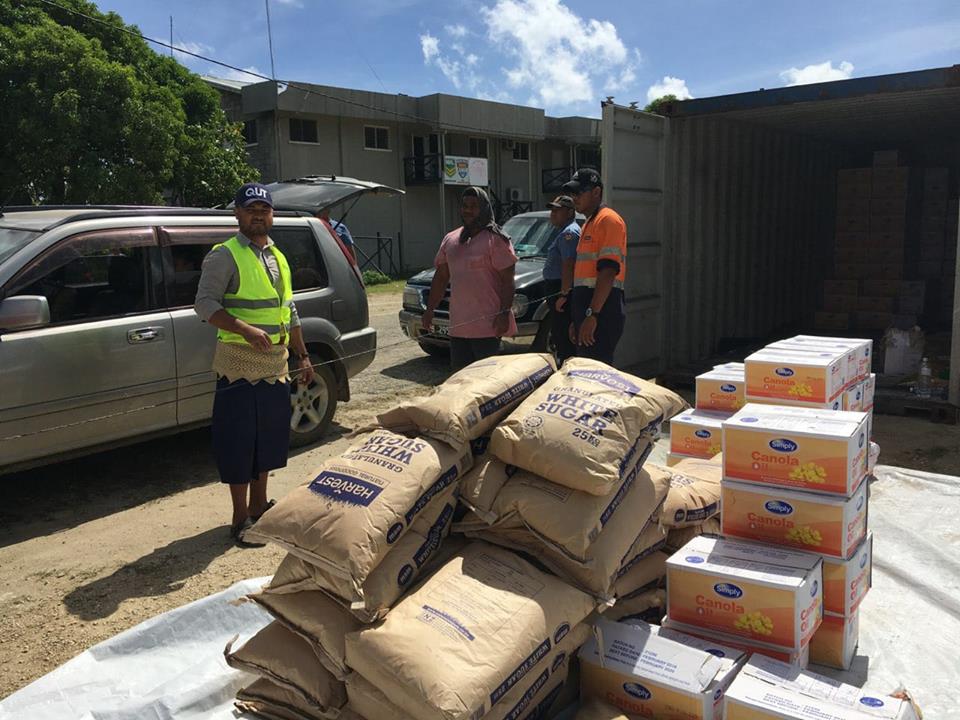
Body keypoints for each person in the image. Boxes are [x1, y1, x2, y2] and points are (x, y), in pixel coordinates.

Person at [195, 182, 315, 545]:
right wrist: (243, 328)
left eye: (264, 209)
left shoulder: (277, 255)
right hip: (238, 364)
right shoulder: (224, 255)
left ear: (272, 214)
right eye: (251, 209)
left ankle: (260, 506)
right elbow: (205, 304)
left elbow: (288, 309)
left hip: (275, 365)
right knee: (238, 442)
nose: (258, 215)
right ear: (237, 213)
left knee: (268, 440)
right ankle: (238, 518)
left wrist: (303, 355)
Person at [421, 186, 517, 370]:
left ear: (484, 208)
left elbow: (508, 281)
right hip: (459, 327)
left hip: (488, 328)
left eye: (474, 206)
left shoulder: (497, 240)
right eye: (464, 205)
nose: (468, 210)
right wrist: (429, 309)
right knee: (460, 381)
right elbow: (441, 278)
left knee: (486, 382)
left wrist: (504, 313)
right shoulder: (451, 239)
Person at [561, 168, 627, 366]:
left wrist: (592, 315)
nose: (574, 198)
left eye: (579, 192)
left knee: (597, 374)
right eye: (572, 193)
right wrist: (578, 319)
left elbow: (608, 271)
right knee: (587, 371)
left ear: (596, 192)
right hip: (590, 311)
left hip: (603, 311)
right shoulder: (589, 222)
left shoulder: (608, 220)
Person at [542, 195, 580, 365]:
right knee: (558, 333)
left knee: (563, 335)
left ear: (570, 212)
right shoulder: (562, 231)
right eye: (552, 210)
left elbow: (568, 264)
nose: (553, 213)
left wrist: (564, 294)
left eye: (558, 210)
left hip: (560, 289)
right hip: (556, 288)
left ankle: (567, 367)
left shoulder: (569, 233)